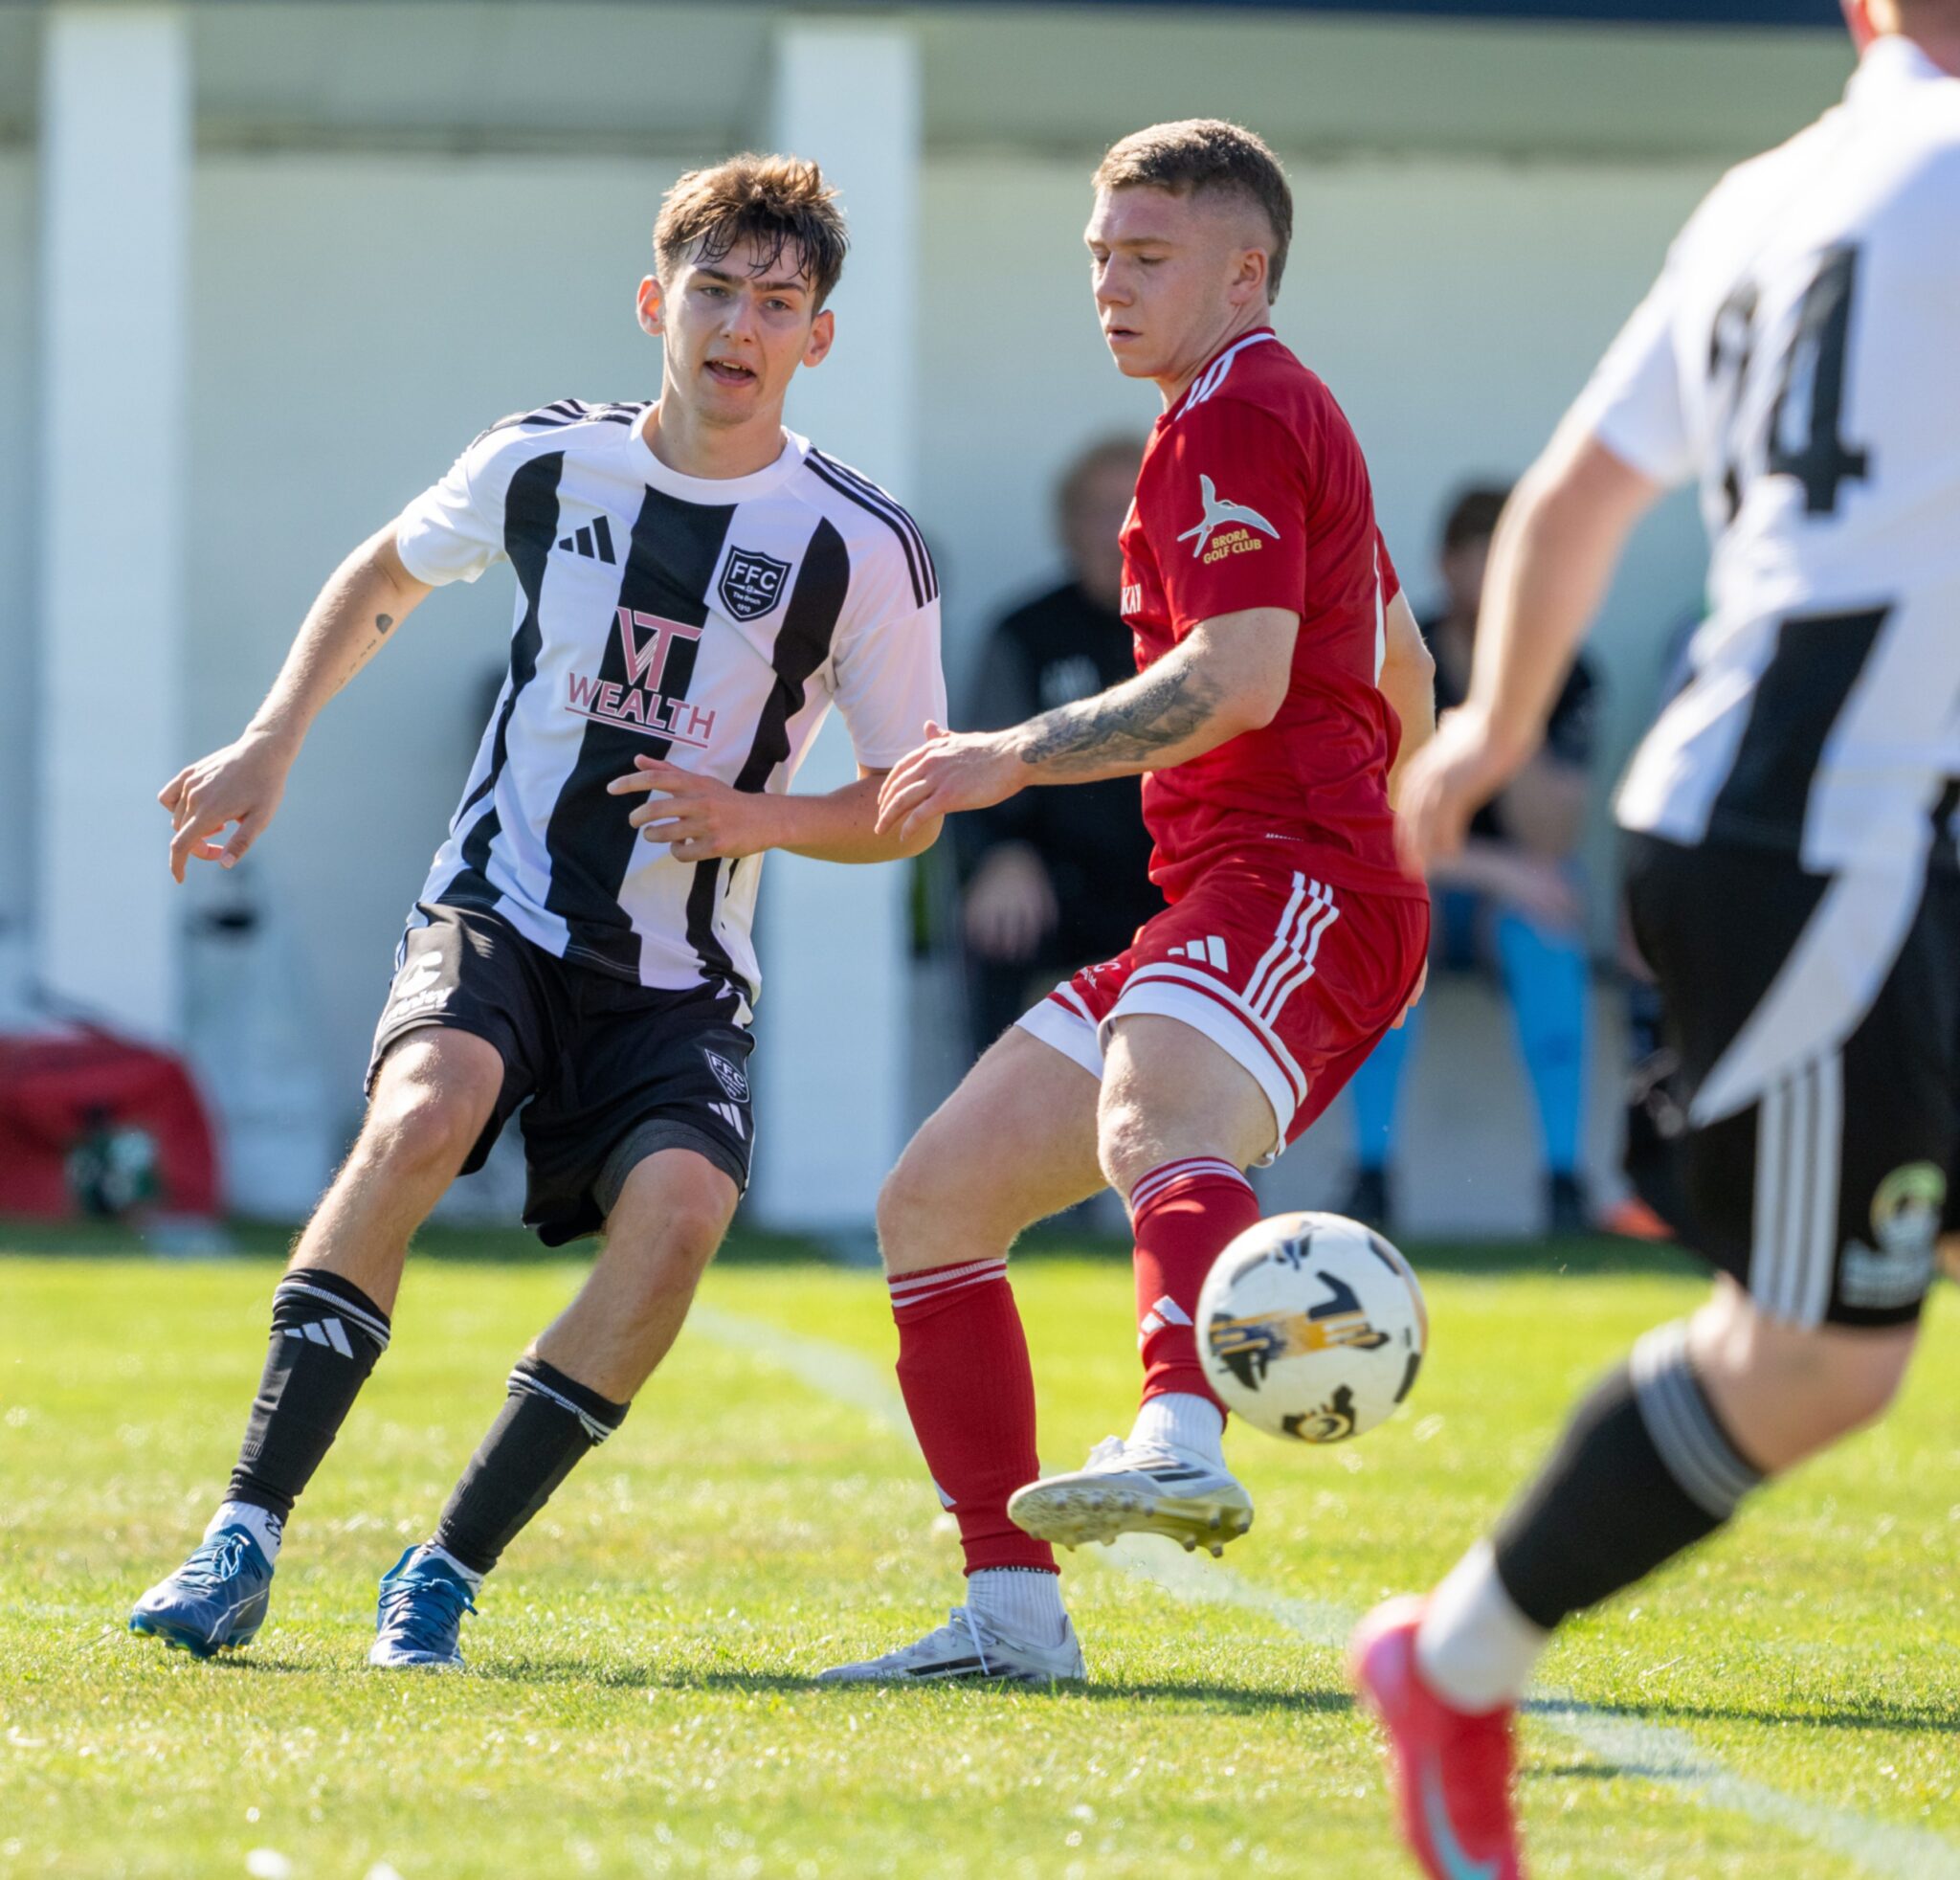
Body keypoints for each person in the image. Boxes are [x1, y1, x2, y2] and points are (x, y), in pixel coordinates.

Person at [128, 155, 946, 1669]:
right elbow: (387, 570)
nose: (740, 326)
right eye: (714, 290)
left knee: (687, 1216)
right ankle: (241, 1531)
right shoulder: (544, 463)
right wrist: (271, 737)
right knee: (423, 1112)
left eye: (778, 302)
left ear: (816, 338)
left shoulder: (860, 546)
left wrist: (754, 816)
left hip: (682, 969)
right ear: (657, 302)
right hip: (499, 909)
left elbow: (908, 803)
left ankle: (442, 1568)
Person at [1351, 4, 1960, 1872]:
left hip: (1821, 815)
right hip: (1821, 838)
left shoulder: (1773, 193)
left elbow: (1579, 488)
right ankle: (1452, 1665)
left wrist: (1491, 729)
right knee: (1816, 1360)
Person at [819, 119, 1435, 1687]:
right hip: (1251, 883)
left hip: (1294, 876)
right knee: (936, 1200)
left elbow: (1234, 682)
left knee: (1155, 1116)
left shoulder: (1237, 414)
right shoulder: (1240, 417)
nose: (1110, 283)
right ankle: (1012, 1614)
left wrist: (1009, 758)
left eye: (1146, 256)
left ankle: (1179, 1425)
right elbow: (1402, 666)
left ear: (1247, 269)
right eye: (1099, 254)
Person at [1343, 485, 1599, 1237]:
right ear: (1446, 566)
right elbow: (1378, 827)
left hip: (1504, 894)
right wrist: (1500, 870)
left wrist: (1503, 703)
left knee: (1548, 921)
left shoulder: (1563, 665)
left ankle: (1564, 1183)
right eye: (1482, 564)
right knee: (1381, 923)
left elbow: (1550, 840)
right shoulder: (1393, 656)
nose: (1496, 586)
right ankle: (1371, 1177)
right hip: (1420, 879)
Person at [956, 436, 1159, 1054]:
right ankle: (986, 1131)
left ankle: (1212, 1149)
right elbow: (974, 761)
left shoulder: (1208, 637)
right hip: (1058, 882)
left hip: (1174, 884)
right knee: (997, 917)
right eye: (1098, 511)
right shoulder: (1024, 633)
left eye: (1133, 508)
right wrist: (1001, 854)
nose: (1116, 530)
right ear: (1066, 527)